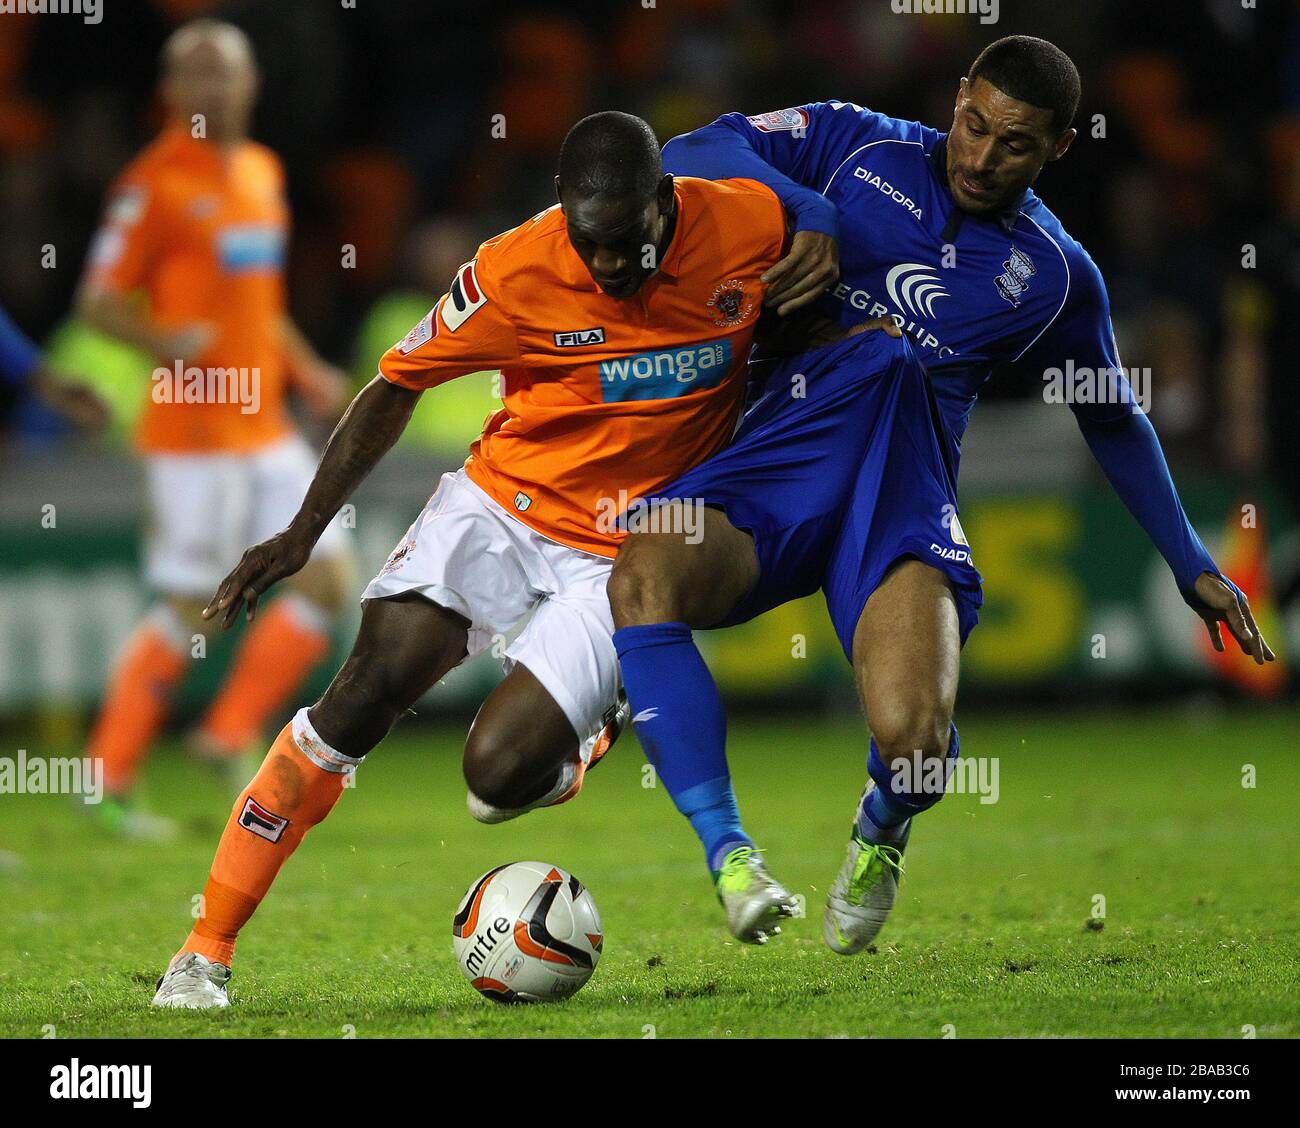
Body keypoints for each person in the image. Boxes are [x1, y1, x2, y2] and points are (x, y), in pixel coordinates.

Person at [604, 35, 1274, 949]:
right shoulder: (854, 145)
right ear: (958, 99)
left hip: (899, 494)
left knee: (917, 750)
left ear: (1058, 150)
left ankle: (881, 830)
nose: (981, 157)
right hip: (774, 464)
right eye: (973, 125)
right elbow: (687, 152)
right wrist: (810, 213)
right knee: (643, 578)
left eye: (1015, 145)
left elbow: (1109, 415)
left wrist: (1190, 559)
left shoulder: (1055, 277)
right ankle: (731, 859)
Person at [150, 110, 790, 1008]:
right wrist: (302, 532)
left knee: (493, 781)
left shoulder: (750, 229)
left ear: (665, 202)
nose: (606, 266)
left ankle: (579, 736)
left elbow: (841, 259)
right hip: (503, 504)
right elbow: (394, 384)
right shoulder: (514, 270)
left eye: (624, 245)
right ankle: (204, 950)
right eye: (587, 243)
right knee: (360, 695)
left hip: (629, 554)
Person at [76, 20, 354, 838]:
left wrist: (306, 372)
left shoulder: (261, 172)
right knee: (196, 605)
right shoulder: (152, 183)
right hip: (189, 435)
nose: (211, 89)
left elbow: (256, 307)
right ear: (168, 91)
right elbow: (95, 300)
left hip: (263, 424)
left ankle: (226, 734)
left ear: (251, 83)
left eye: (224, 72)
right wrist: (166, 344)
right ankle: (103, 780)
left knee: (329, 581)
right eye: (193, 74)